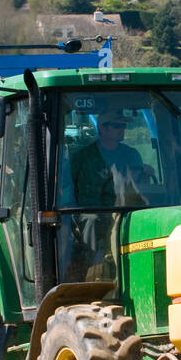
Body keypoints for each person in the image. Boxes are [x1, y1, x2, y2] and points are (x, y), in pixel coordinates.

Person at [66, 108, 153, 280]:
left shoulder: (131, 154)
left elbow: (139, 188)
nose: (123, 130)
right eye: (118, 126)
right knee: (92, 222)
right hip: (92, 210)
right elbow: (66, 186)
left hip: (125, 207)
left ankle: (141, 271)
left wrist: (144, 175)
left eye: (123, 126)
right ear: (102, 128)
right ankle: (91, 272)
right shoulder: (83, 157)